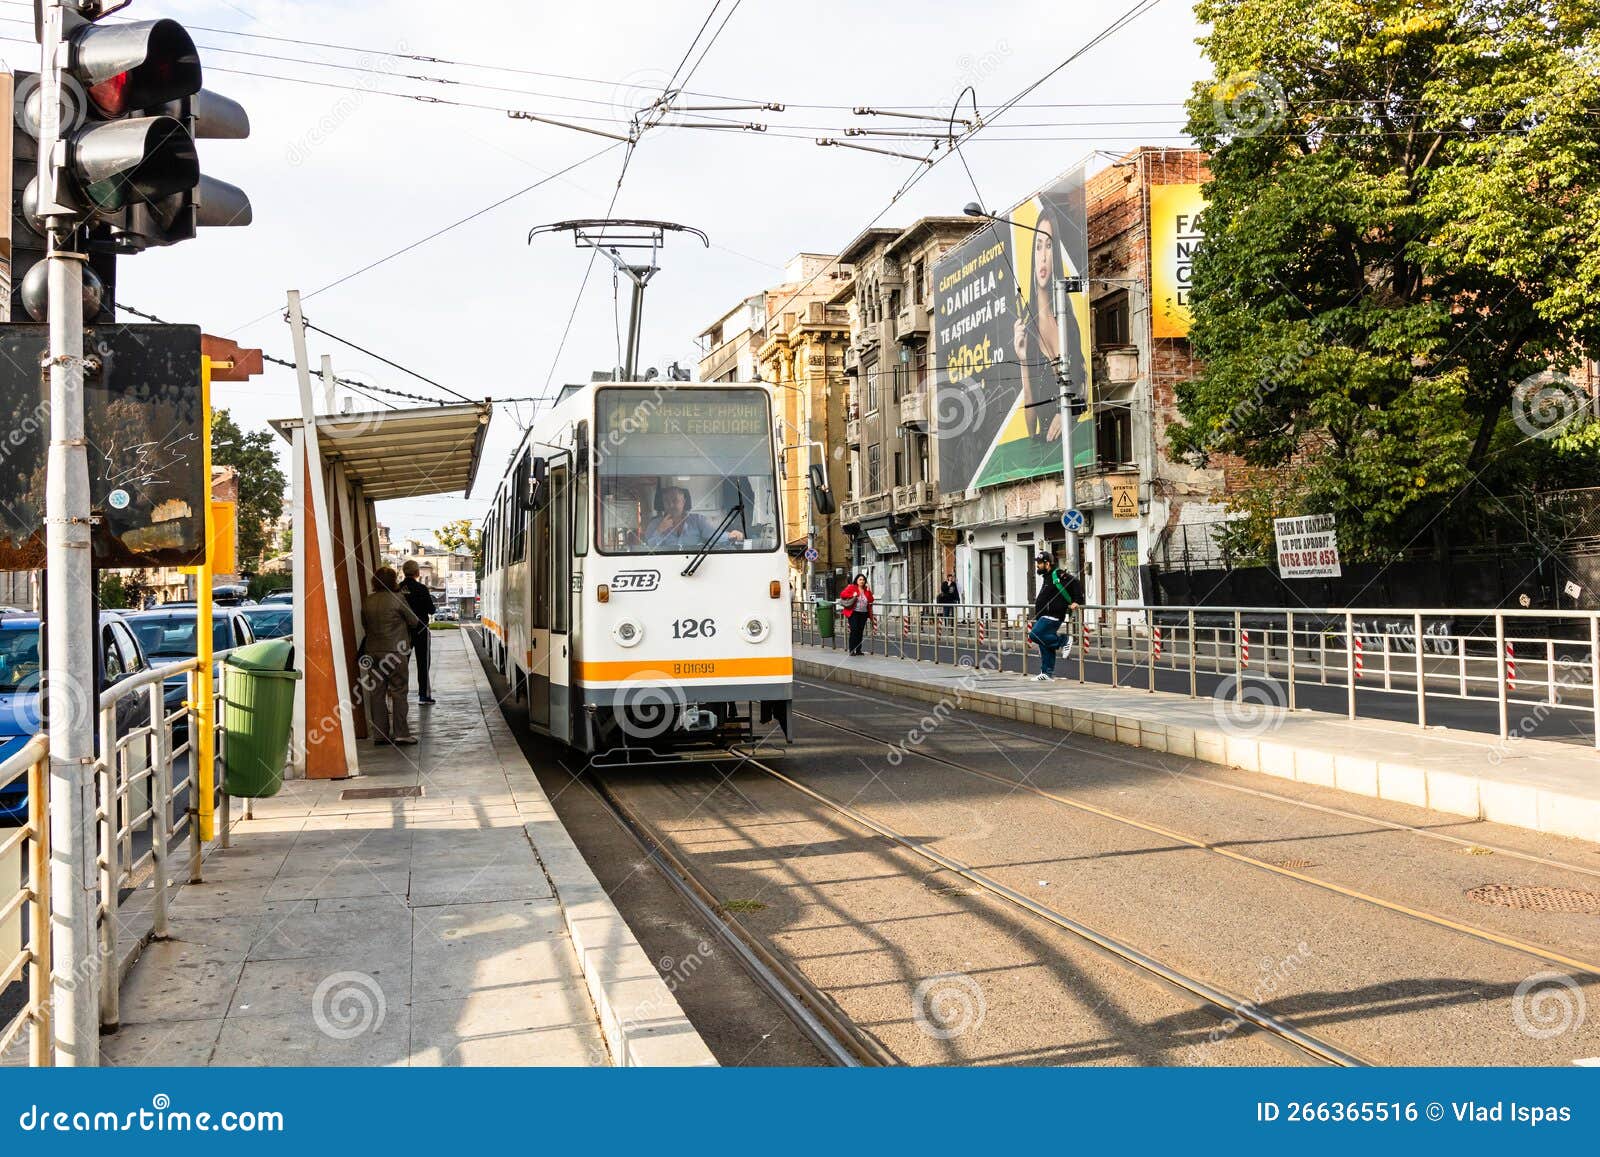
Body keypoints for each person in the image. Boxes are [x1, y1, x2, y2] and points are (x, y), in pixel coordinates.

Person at [361, 567, 420, 745]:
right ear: (393, 581)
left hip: (372, 651)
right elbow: (414, 621)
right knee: (398, 691)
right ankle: (401, 733)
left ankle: (380, 734)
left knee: (377, 692)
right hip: (395, 652)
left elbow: (365, 625)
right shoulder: (398, 599)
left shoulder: (368, 601)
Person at [1028, 551, 1083, 681]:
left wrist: (1077, 601)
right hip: (1044, 616)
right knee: (1045, 644)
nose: (1037, 566)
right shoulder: (1047, 576)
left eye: (1039, 563)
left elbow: (1075, 582)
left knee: (1034, 635)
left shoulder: (1057, 574)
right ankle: (1046, 673)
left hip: (1053, 615)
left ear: (1047, 564)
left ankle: (1064, 641)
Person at [642, 485, 745, 550]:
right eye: (667, 501)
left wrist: (730, 535)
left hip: (693, 564)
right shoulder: (654, 524)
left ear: (683, 502)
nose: (671, 505)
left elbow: (713, 536)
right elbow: (648, 550)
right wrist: (659, 530)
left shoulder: (697, 520)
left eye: (675, 501)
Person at [400, 559, 437, 705]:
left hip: (403, 632)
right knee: (423, 663)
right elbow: (431, 610)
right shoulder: (422, 589)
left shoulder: (397, 588)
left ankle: (401, 694)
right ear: (417, 573)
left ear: (404, 572)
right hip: (421, 630)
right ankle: (424, 696)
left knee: (402, 663)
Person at [839, 572, 874, 656]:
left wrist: (869, 591)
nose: (862, 581)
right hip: (853, 612)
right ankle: (852, 650)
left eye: (863, 580)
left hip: (863, 613)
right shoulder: (852, 587)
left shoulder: (866, 590)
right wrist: (852, 594)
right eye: (860, 579)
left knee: (860, 631)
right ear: (857, 580)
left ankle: (858, 650)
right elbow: (842, 594)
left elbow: (871, 600)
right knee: (854, 630)